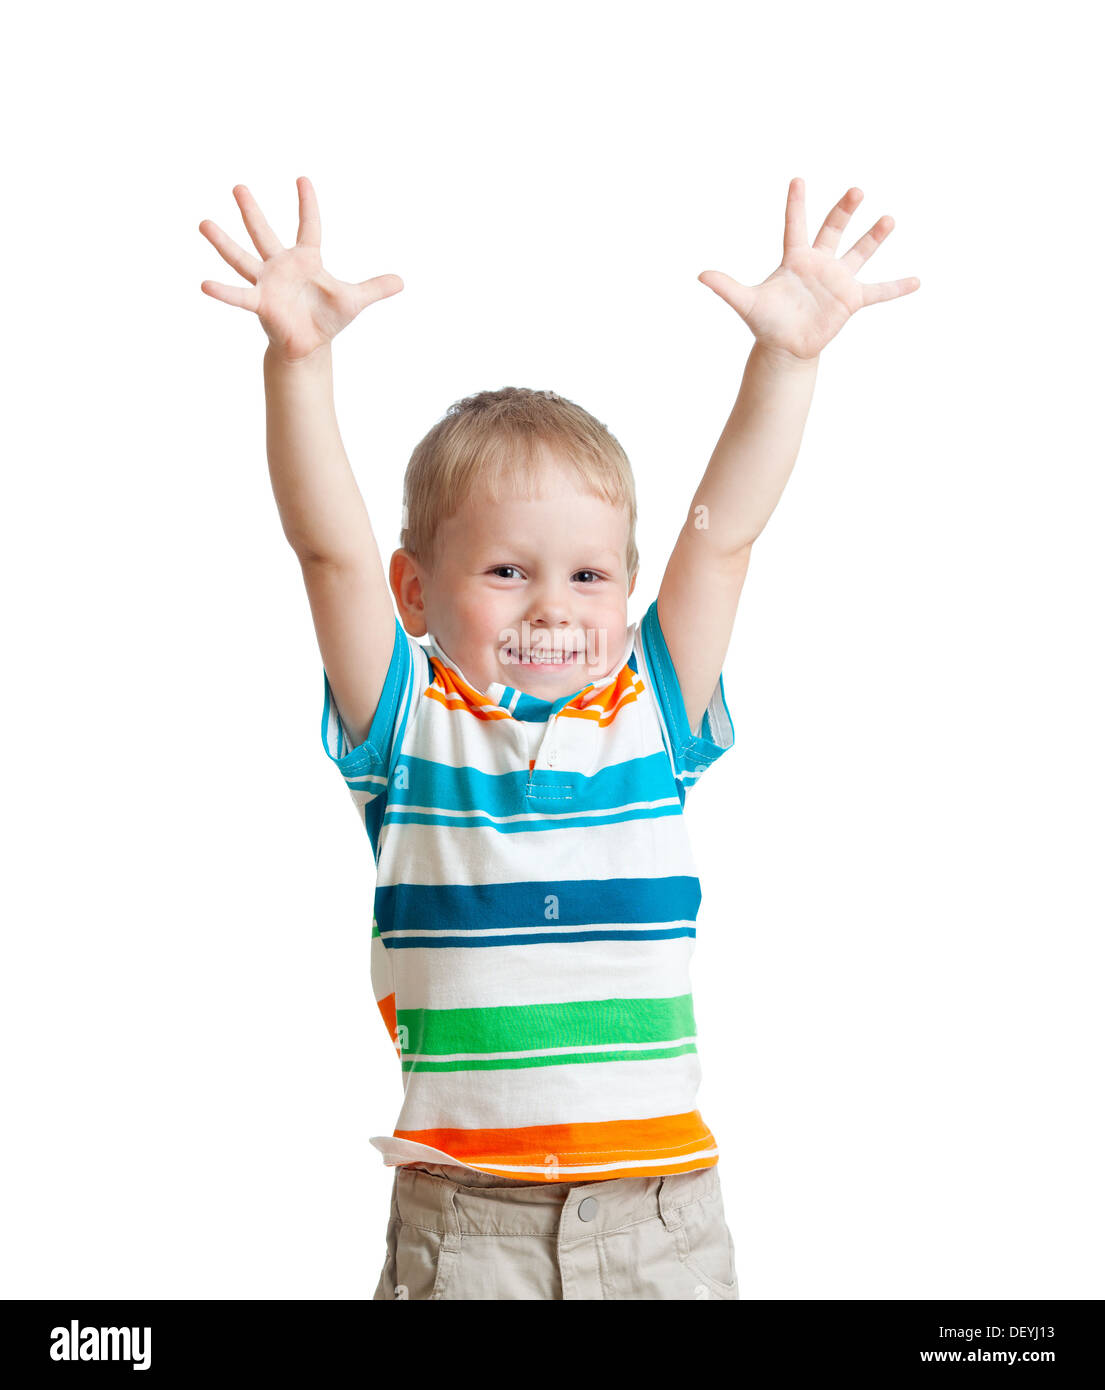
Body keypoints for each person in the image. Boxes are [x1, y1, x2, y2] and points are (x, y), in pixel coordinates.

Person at [198, 175, 918, 1299]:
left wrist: (786, 361)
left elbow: (722, 542)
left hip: (662, 1224)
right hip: (466, 1224)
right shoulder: (408, 726)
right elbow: (327, 551)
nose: (552, 607)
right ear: (417, 591)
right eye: (504, 571)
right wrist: (298, 363)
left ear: (628, 591)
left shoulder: (653, 710)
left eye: (588, 575)